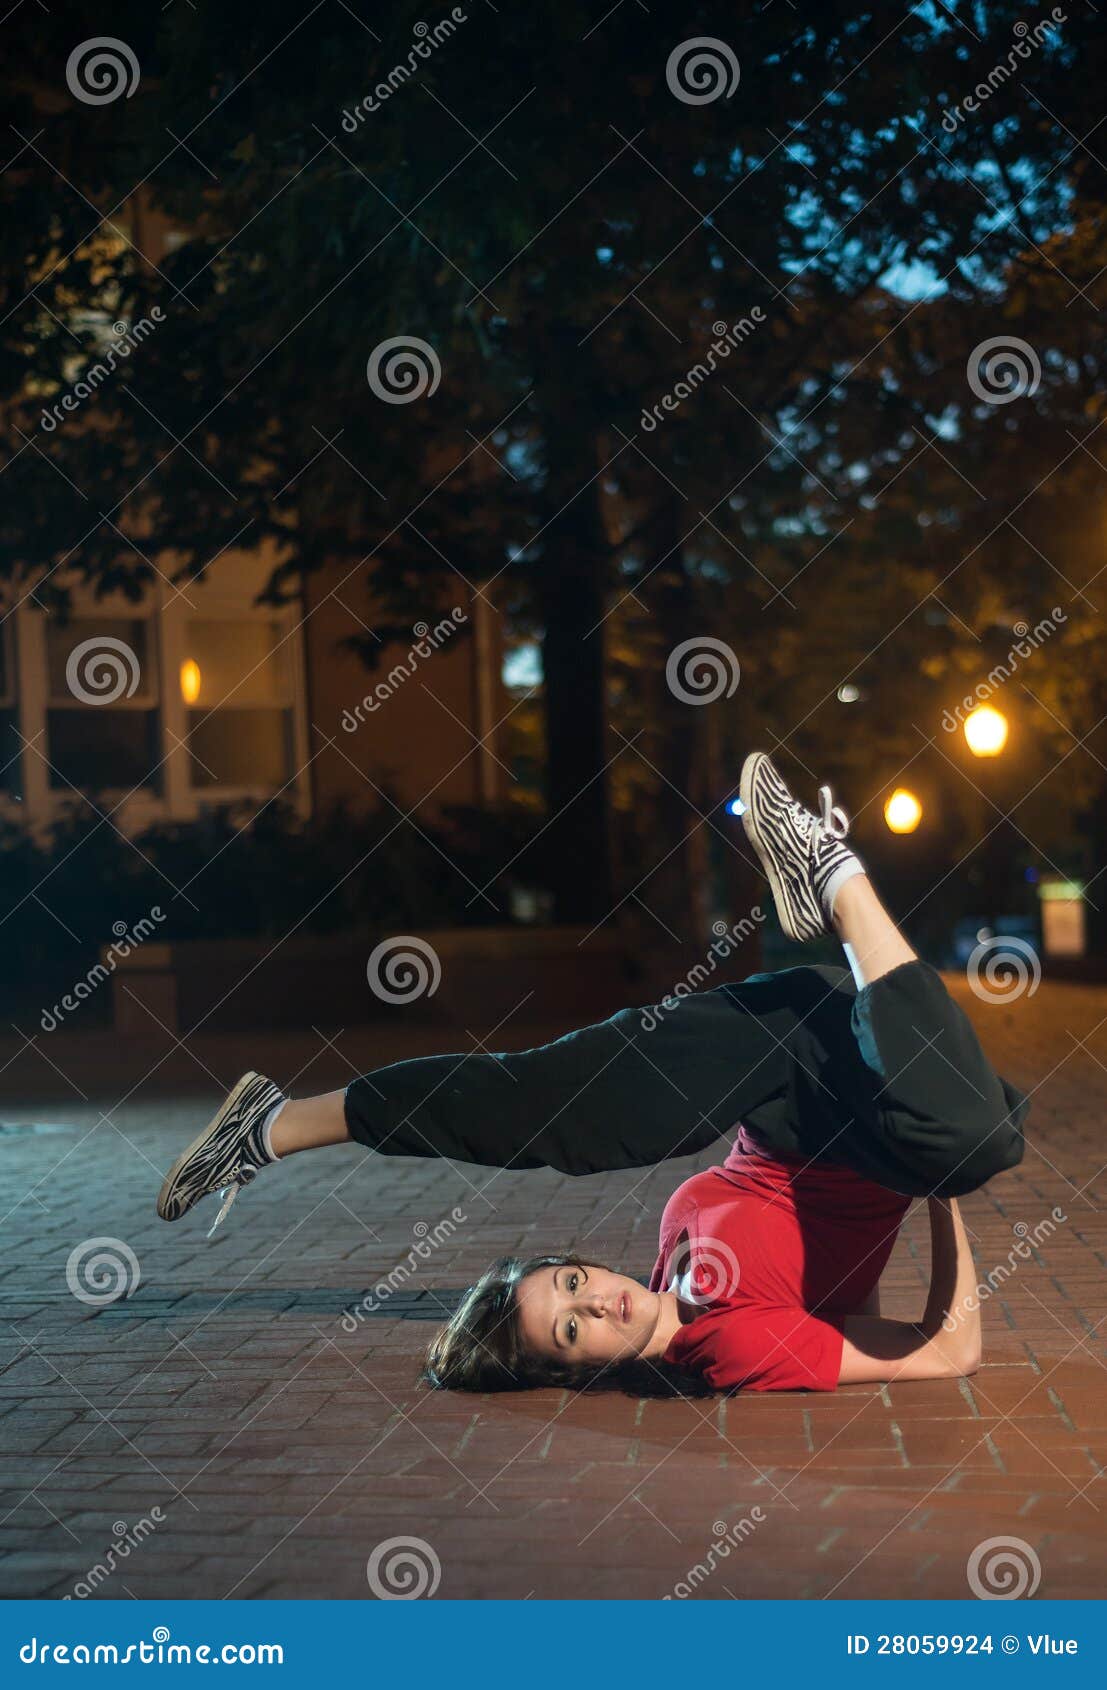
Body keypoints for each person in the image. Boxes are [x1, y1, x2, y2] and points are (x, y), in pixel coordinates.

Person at [156, 752, 1028, 1397]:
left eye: (572, 1283)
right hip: (894, 1108)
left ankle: (271, 1125)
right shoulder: (720, 1350)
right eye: (570, 1329)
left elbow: (833, 1250)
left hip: (788, 1058)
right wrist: (934, 1186)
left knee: (552, 1110)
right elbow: (946, 1350)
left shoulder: (682, 1226)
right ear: (576, 1372)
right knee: (971, 1140)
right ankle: (837, 888)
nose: (598, 1303)